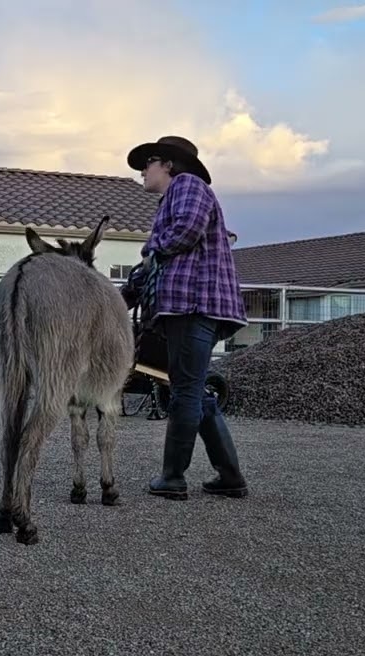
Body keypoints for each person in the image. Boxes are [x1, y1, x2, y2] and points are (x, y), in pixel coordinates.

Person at [119, 135, 249, 500]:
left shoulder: (189, 186)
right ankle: (230, 476)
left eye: (150, 162)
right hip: (188, 308)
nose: (143, 170)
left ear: (170, 165)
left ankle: (173, 477)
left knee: (186, 391)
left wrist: (151, 251)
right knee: (192, 390)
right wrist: (119, 299)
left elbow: (187, 230)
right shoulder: (170, 200)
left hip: (195, 306)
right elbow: (154, 268)